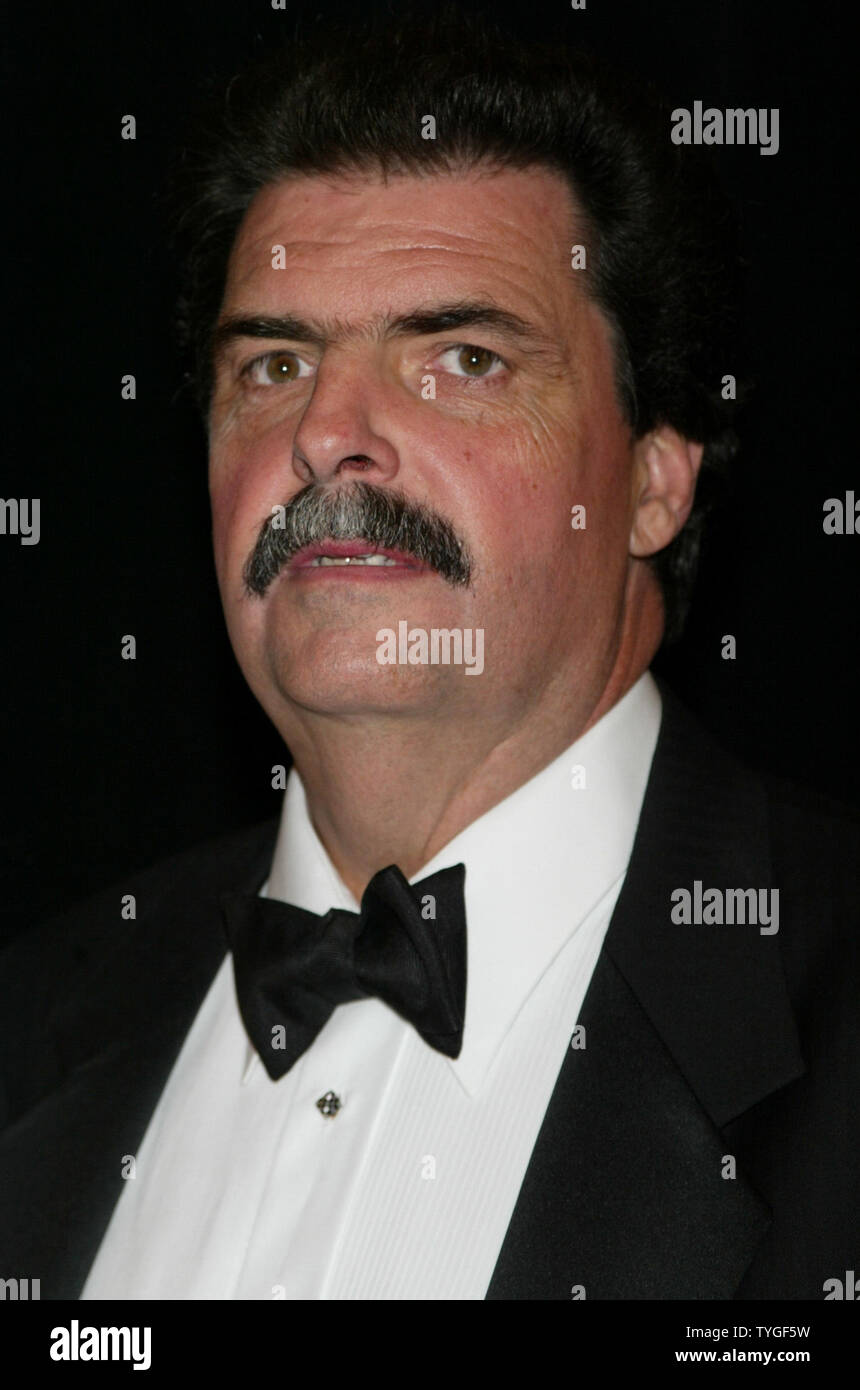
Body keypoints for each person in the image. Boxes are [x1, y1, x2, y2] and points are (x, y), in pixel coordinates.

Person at [1, 9, 857, 1301]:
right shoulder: (27, 1026)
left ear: (656, 479)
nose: (330, 435)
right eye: (276, 362)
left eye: (462, 359)